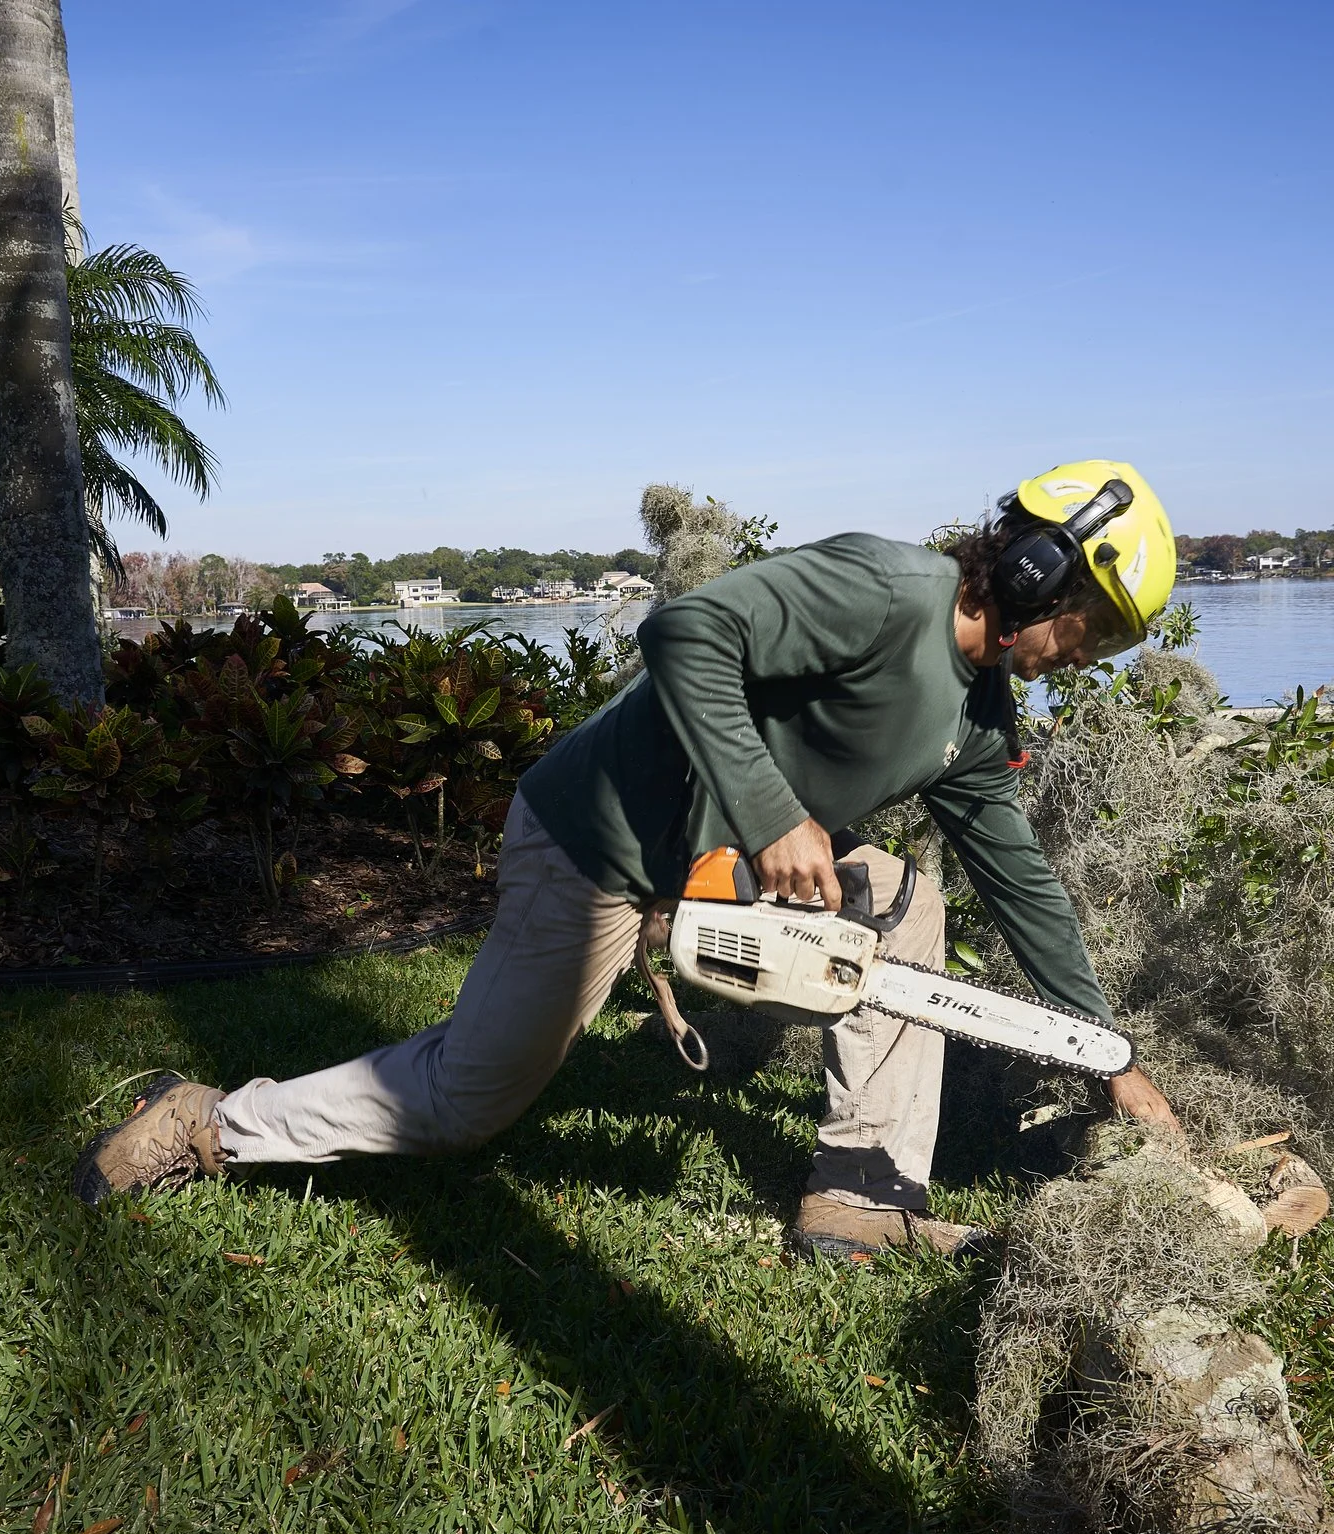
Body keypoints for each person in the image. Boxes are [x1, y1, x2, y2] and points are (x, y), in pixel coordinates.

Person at [71, 462, 1183, 1261]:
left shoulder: (979, 714)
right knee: (469, 1098)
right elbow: (686, 633)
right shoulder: (885, 592)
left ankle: (858, 1199)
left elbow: (1018, 875)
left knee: (908, 897)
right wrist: (768, 816)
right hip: (592, 839)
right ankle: (211, 1120)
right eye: (1098, 619)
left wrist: (1108, 1050)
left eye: (1118, 636)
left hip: (709, 858)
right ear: (1041, 568)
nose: (1092, 649)